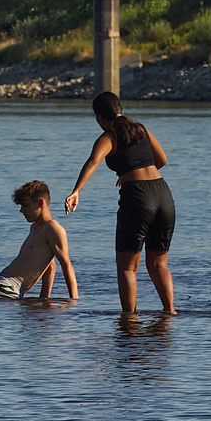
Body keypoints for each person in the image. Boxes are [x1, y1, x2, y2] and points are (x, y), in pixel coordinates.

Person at [62, 92, 176, 315]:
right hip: (163, 194)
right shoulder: (141, 129)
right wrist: (134, 171)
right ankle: (170, 312)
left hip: (138, 198)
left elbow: (94, 160)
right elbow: (162, 160)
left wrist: (76, 191)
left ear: (99, 117)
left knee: (127, 267)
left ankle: (129, 319)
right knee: (159, 264)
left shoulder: (108, 137)